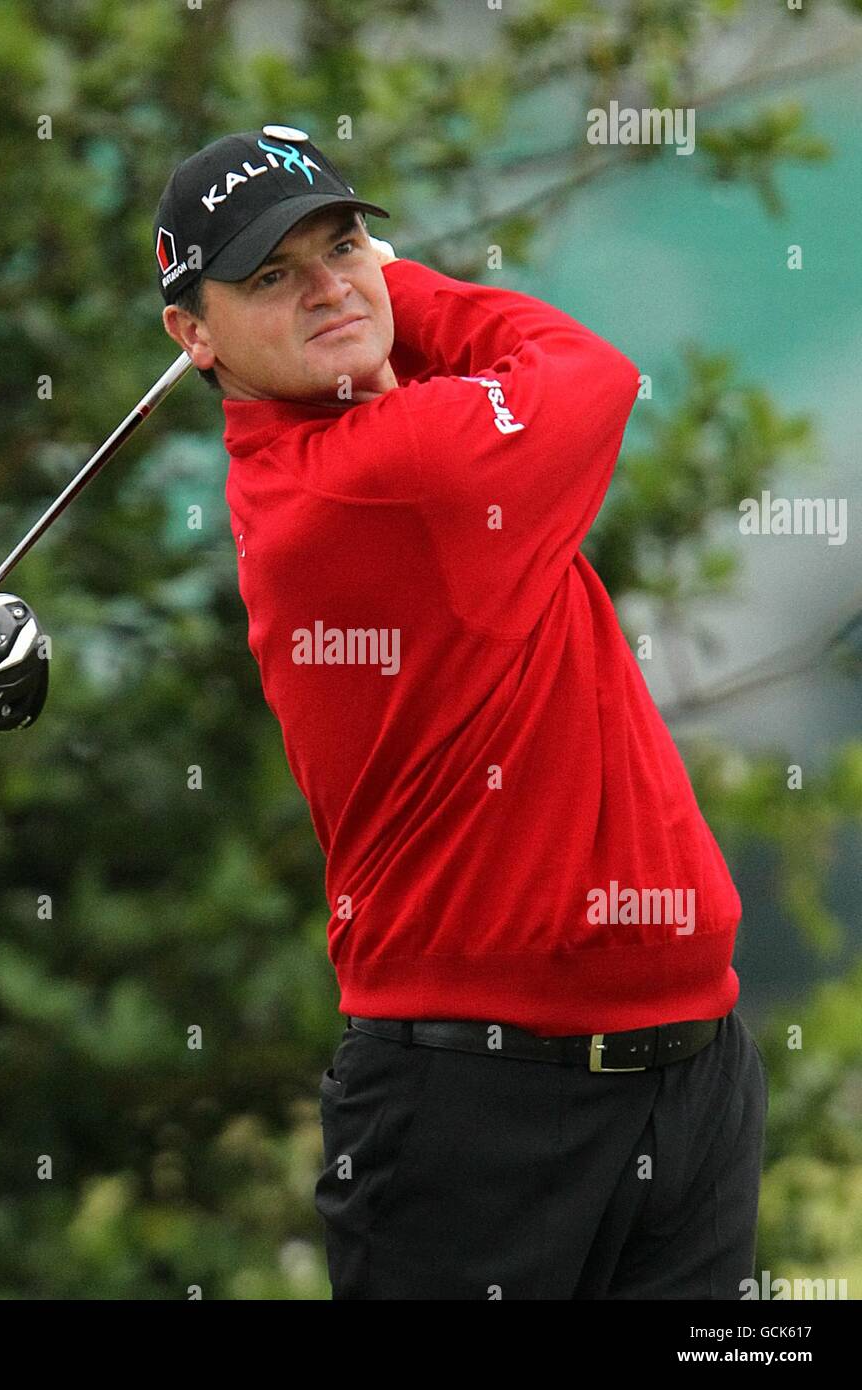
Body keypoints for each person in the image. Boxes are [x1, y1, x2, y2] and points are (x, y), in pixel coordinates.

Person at [152, 125, 768, 1300]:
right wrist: (396, 288)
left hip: (691, 1073)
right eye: (273, 274)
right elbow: (584, 372)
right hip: (482, 1112)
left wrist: (341, 304)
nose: (327, 285)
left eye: (342, 245)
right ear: (193, 333)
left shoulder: (386, 425)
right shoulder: (374, 479)